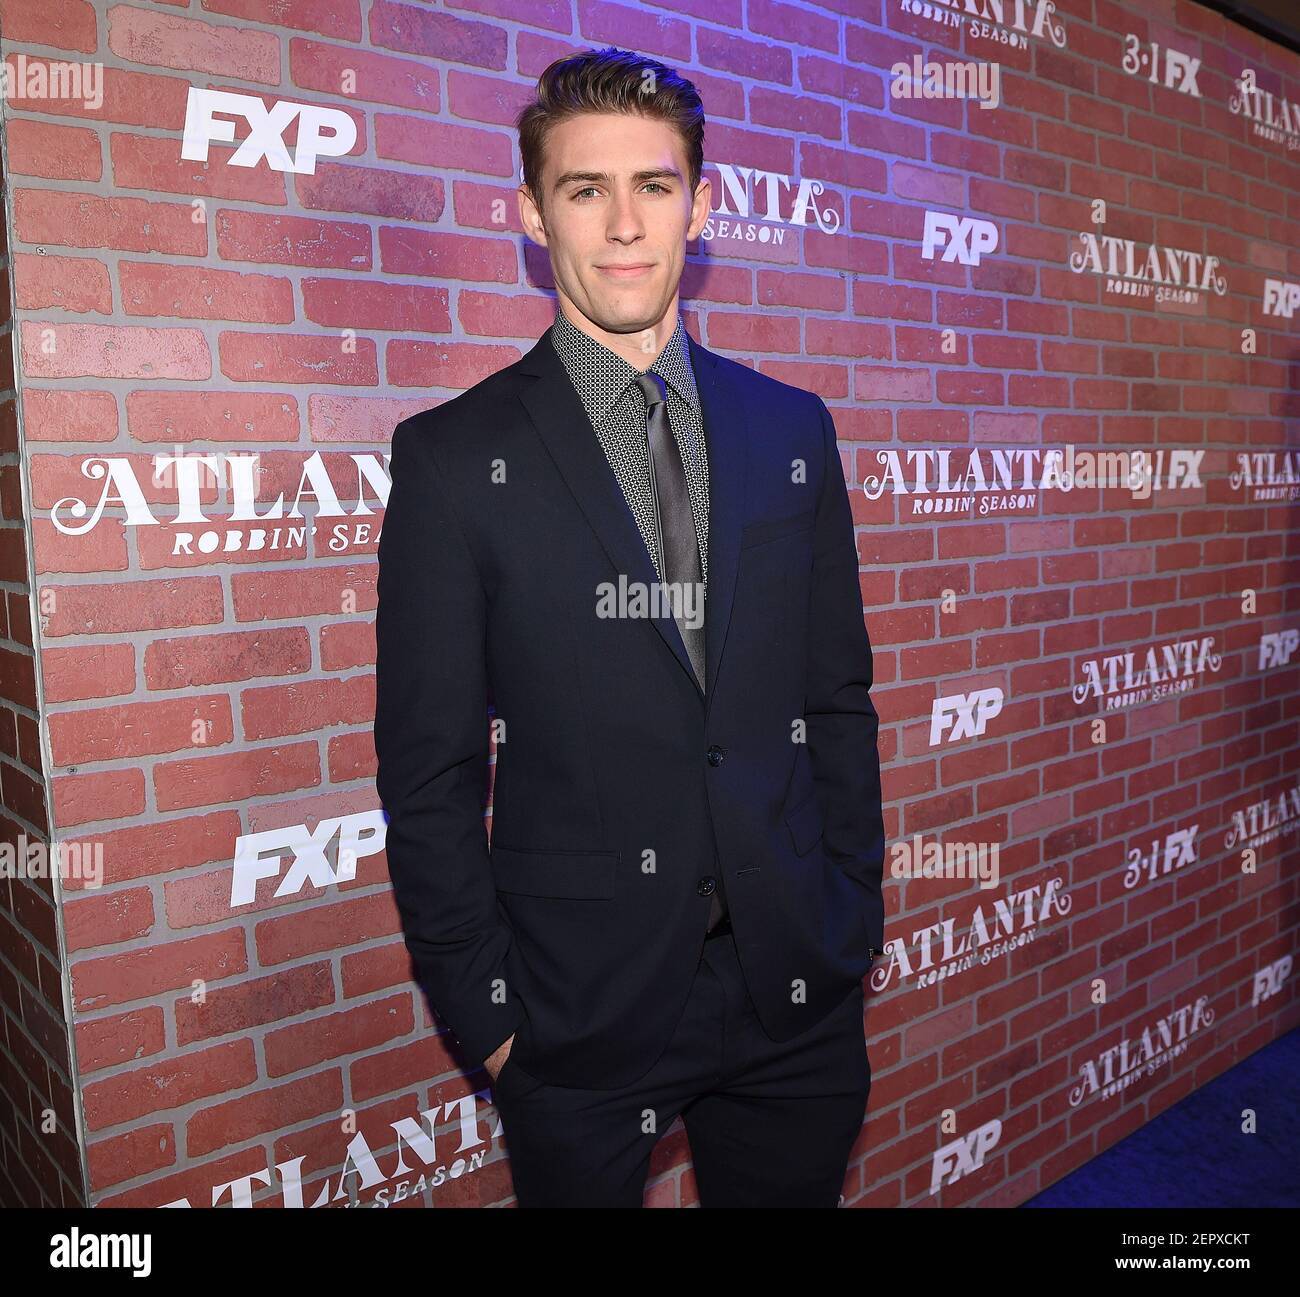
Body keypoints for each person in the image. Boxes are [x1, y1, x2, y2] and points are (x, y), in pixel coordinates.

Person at [375, 45, 886, 1208]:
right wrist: (491, 1017)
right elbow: (430, 766)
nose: (621, 225)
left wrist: (849, 910)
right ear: (530, 213)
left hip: (793, 989)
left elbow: (835, 697)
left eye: (653, 186)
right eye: (582, 189)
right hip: (576, 1015)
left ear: (700, 207)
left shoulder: (790, 427)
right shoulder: (455, 460)